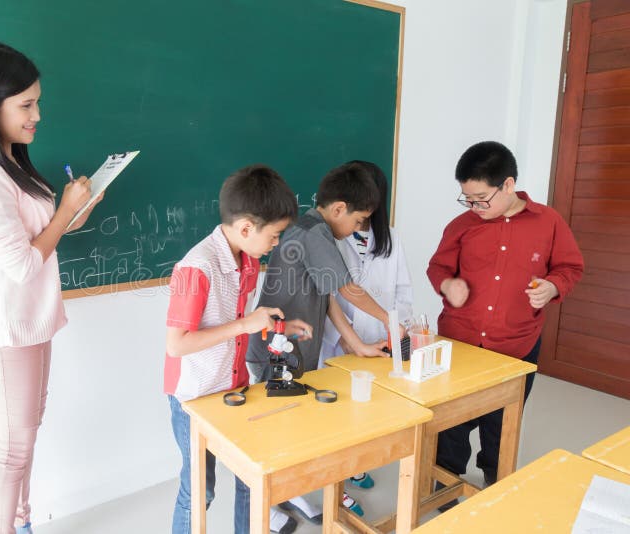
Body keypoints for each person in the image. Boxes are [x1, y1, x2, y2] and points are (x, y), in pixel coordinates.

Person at [0, 41, 100, 534]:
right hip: (8, 324)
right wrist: (62, 214)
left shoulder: (7, 156)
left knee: (27, 433)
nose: (38, 114)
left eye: (37, 101)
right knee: (13, 444)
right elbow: (20, 263)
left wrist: (72, 215)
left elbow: (39, 237)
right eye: (26, 105)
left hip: (32, 318)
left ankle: (22, 521)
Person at [427, 140, 583, 509]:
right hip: (461, 343)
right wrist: (448, 284)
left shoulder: (549, 222)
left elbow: (569, 267)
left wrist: (553, 286)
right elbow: (438, 267)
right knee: (452, 422)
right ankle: (447, 483)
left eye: (481, 198)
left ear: (508, 185)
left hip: (517, 344)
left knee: (502, 421)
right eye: (467, 198)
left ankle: (494, 474)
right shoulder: (461, 225)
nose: (474, 206)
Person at [164, 164, 311, 534]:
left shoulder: (246, 258)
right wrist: (248, 324)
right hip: (194, 397)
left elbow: (237, 319)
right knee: (200, 490)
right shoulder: (195, 268)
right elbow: (177, 345)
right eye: (275, 236)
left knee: (250, 477)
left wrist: (278, 326)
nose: (277, 244)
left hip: (232, 387)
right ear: (247, 228)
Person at [246, 160, 391, 524]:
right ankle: (265, 509)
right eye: (358, 221)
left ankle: (289, 495)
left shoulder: (314, 231)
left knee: (290, 427)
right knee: (272, 432)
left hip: (295, 351)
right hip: (275, 352)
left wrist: (356, 343)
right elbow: (348, 291)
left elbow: (328, 297)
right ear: (339, 208)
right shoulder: (312, 233)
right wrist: (391, 320)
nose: (359, 230)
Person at [318, 161, 413, 495]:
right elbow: (328, 296)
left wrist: (395, 326)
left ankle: (354, 467)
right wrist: (346, 339)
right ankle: (335, 485)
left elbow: (402, 291)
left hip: (375, 341)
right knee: (333, 415)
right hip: (336, 344)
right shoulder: (329, 236)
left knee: (364, 415)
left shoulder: (391, 238)